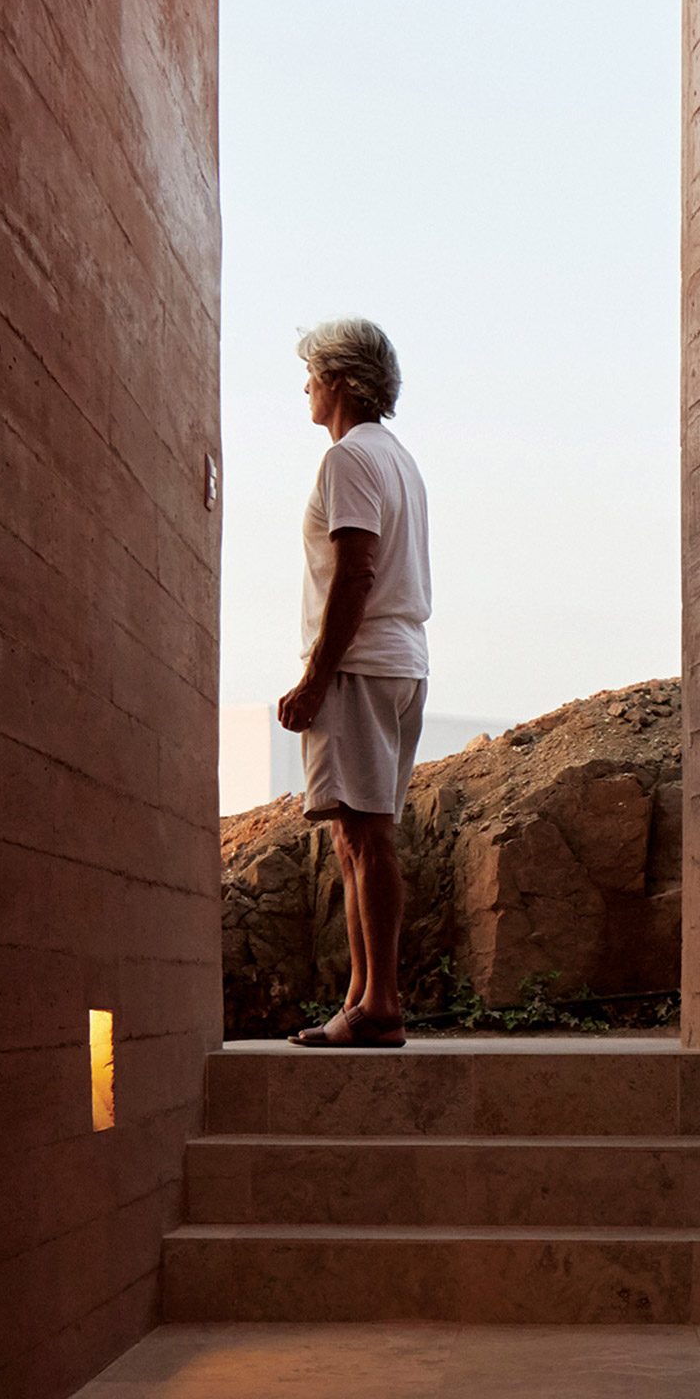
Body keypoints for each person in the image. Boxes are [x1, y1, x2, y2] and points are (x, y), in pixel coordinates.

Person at [277, 317, 430, 1048]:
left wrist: (315, 677)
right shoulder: (398, 458)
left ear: (339, 379)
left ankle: (380, 1004)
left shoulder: (348, 459)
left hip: (362, 665)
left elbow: (357, 570)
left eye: (312, 372)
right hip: (400, 661)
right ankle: (361, 999)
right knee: (356, 832)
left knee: (365, 837)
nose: (305, 385)